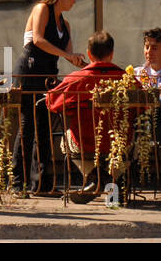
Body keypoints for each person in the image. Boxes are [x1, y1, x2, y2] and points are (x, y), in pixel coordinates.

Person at [11, 0, 84, 196]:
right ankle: (17, 183)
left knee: (44, 128)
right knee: (27, 126)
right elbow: (38, 40)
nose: (73, 2)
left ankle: (41, 183)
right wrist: (66, 55)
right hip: (31, 70)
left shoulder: (66, 24)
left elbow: (68, 53)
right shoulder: (42, 8)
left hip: (48, 74)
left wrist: (75, 58)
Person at [46, 30, 131, 188]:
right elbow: (144, 104)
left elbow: (52, 102)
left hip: (85, 141)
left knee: (66, 140)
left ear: (89, 54)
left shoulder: (77, 79)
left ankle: (94, 175)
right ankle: (113, 179)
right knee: (136, 141)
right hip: (120, 140)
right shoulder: (126, 79)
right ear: (111, 54)